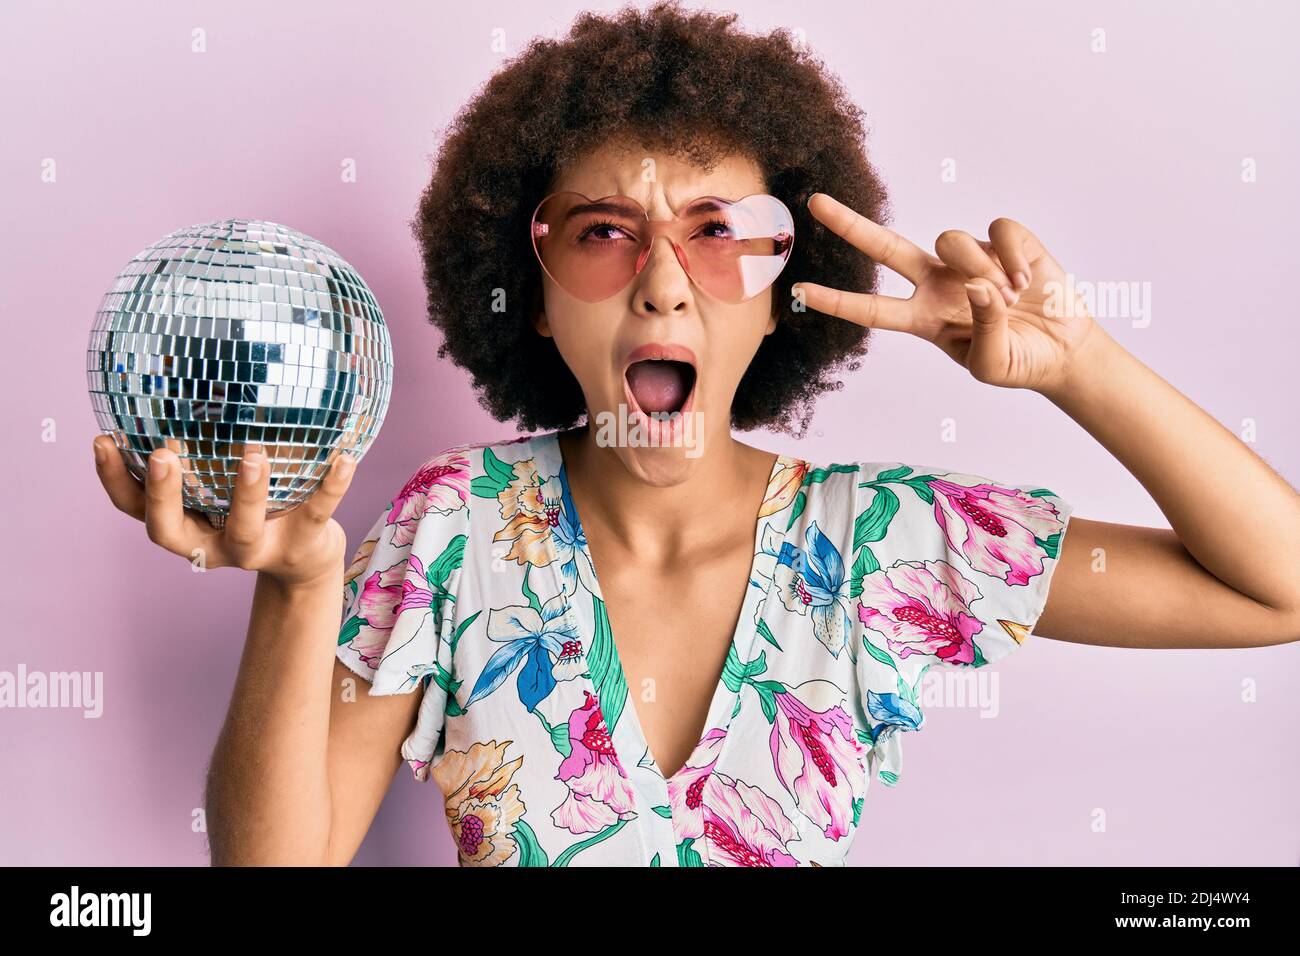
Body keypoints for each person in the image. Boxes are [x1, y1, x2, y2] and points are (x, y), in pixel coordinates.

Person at [92, 2, 1300, 867]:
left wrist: (1076, 367)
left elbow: (1277, 587)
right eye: (604, 231)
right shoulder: (448, 532)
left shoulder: (879, 543)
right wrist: (300, 588)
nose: (664, 284)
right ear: (536, 293)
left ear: (786, 291)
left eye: (723, 232)